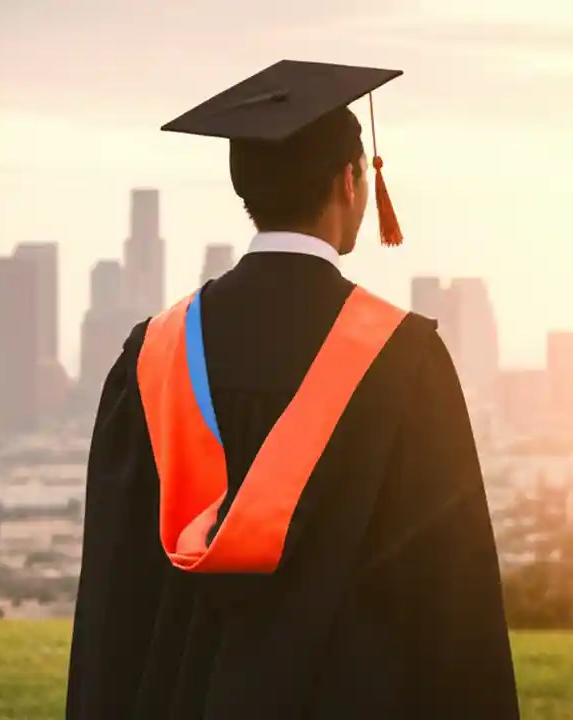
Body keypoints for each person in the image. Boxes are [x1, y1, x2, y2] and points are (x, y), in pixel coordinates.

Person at [66, 60, 519, 719]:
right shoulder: (403, 359)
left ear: (246, 189)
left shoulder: (154, 355)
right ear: (350, 181)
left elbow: (115, 593)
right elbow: (453, 598)